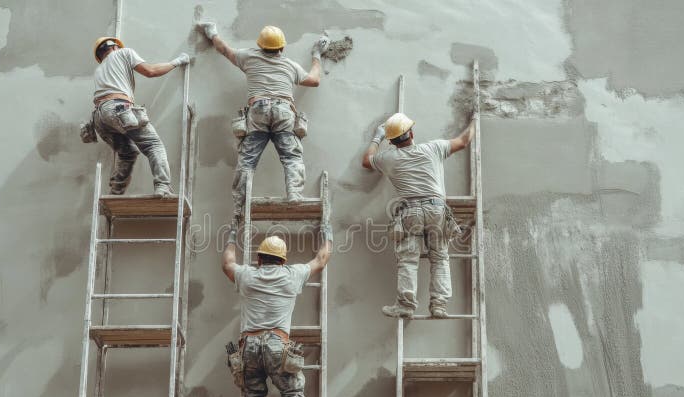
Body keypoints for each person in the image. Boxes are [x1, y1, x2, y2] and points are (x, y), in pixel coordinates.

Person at [197, 22, 329, 220]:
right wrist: (317, 55)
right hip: (284, 111)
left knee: (247, 161)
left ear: (260, 46)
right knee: (291, 157)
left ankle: (239, 204)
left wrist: (211, 32)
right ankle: (294, 194)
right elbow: (314, 80)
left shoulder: (248, 57)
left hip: (258, 110)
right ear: (282, 48)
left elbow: (223, 49)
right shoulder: (289, 66)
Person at [221, 228, 332, 397]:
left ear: (259, 258)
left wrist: (232, 237)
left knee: (253, 394)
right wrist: (328, 237)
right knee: (292, 392)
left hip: (248, 346)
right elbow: (320, 260)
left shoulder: (247, 275)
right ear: (283, 260)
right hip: (277, 344)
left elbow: (227, 263)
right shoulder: (292, 274)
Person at [361, 111, 476, 318]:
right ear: (411, 134)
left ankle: (405, 305)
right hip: (436, 209)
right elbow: (464, 141)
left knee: (408, 259)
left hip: (411, 212)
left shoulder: (389, 158)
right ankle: (439, 304)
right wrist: (475, 120)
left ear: (393, 141)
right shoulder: (434, 148)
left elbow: (366, 161)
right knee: (440, 257)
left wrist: (378, 137)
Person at [90, 36, 189, 197]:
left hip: (100, 118)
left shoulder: (99, 70)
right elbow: (151, 71)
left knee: (127, 152)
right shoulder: (124, 53)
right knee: (153, 145)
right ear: (115, 46)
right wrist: (177, 61)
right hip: (118, 107)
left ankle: (116, 192)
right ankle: (163, 186)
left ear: (100, 55)